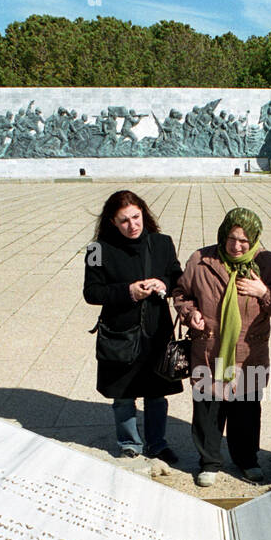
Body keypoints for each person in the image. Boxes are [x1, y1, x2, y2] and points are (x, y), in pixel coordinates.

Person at [173, 208, 271, 486]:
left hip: (249, 353)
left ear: (253, 239)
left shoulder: (267, 264)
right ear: (222, 234)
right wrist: (190, 313)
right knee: (207, 411)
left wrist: (264, 292)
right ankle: (209, 461)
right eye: (232, 238)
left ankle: (247, 460)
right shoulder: (201, 260)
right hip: (209, 350)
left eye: (244, 240)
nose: (237, 246)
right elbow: (181, 294)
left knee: (247, 411)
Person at [84, 190, 182, 462]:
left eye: (136, 217)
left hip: (156, 330)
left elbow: (178, 278)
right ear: (112, 222)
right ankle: (129, 443)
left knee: (156, 393)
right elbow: (91, 292)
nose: (132, 225)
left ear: (144, 214)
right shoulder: (96, 250)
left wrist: (165, 284)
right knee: (123, 394)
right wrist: (127, 292)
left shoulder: (163, 242)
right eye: (124, 220)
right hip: (119, 332)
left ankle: (157, 444)